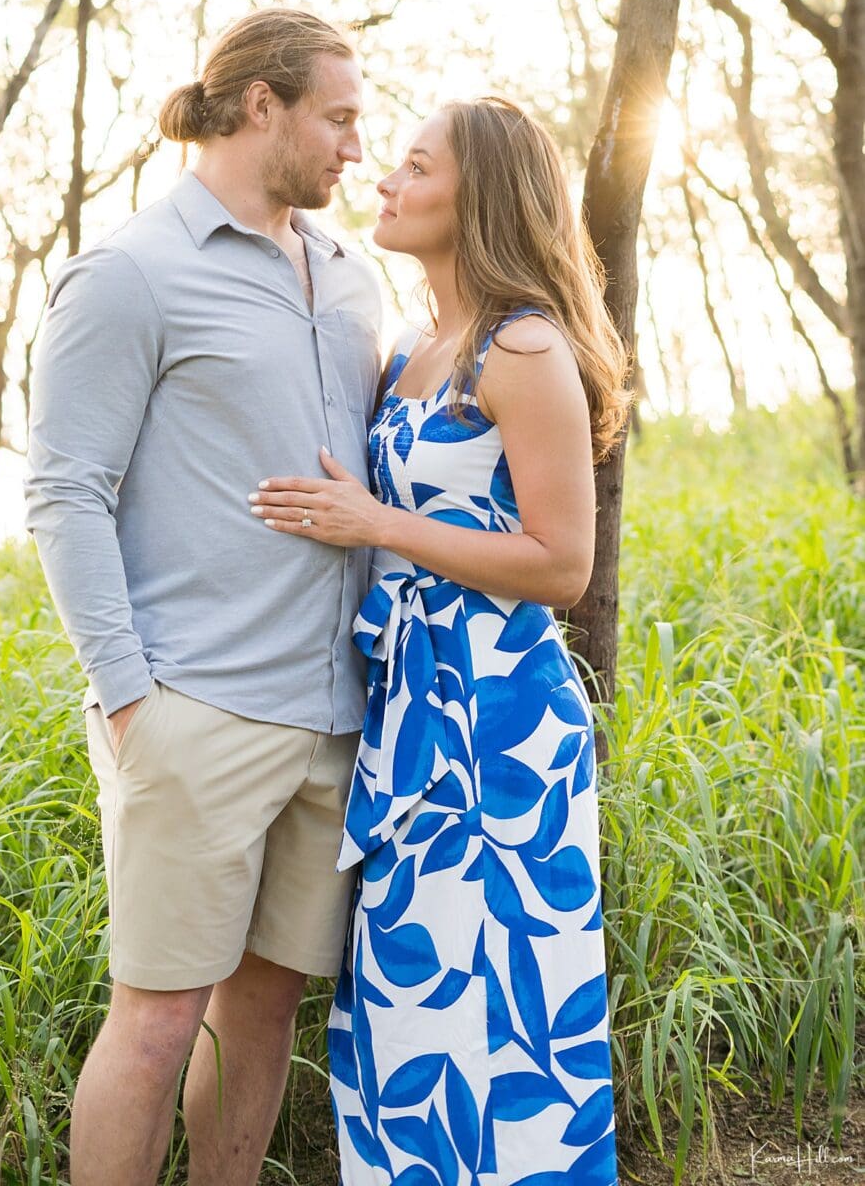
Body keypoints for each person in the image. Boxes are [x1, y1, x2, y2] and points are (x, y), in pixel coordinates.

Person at [22, 7, 383, 1186]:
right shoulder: (130, 272)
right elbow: (66, 491)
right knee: (158, 1017)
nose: (353, 147)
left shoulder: (348, 276)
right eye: (336, 117)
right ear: (258, 104)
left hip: (333, 715)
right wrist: (130, 697)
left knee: (265, 1005)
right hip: (196, 711)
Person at [250, 96, 631, 1186]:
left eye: (415, 167)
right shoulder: (415, 349)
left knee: (502, 1014)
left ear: (480, 198)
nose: (386, 178)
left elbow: (560, 565)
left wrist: (378, 523)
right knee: (407, 1007)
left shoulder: (522, 344)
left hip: (498, 724)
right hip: (409, 710)